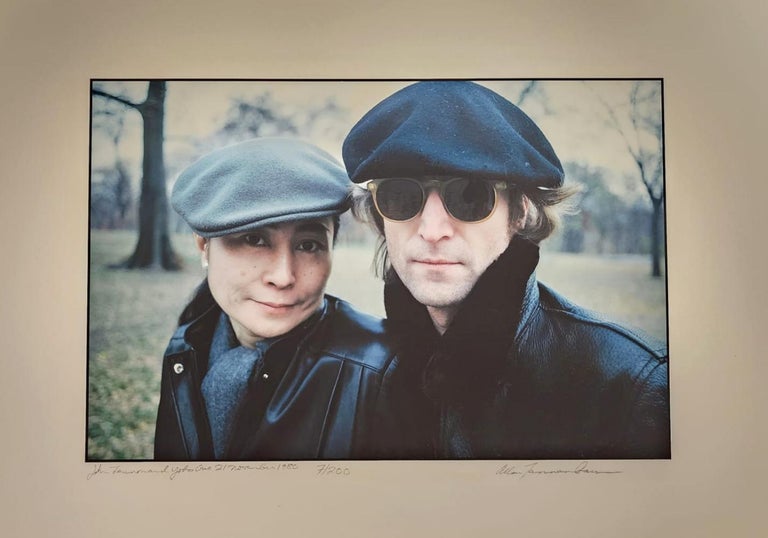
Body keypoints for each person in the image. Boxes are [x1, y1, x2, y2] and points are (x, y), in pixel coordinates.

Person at [343, 81, 670, 459]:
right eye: (399, 196)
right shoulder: (362, 372)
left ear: (521, 212)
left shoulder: (628, 388)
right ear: (379, 216)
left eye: (469, 196)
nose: (432, 231)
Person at [154, 137, 397, 461]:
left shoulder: (381, 373)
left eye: (308, 245)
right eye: (254, 239)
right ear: (204, 246)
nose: (283, 276)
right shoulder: (188, 346)